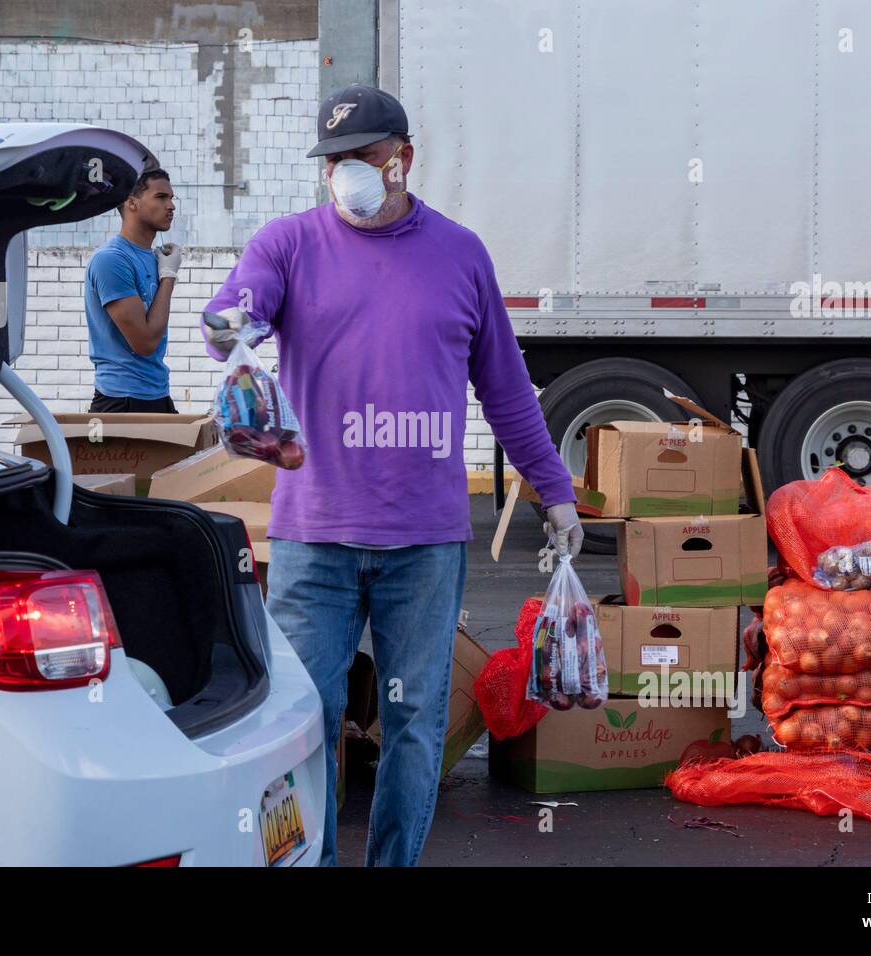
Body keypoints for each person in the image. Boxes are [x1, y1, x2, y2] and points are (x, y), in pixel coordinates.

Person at [201, 84, 582, 866]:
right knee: (305, 721)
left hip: (425, 543)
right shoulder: (287, 245)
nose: (345, 172)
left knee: (414, 724)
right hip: (316, 537)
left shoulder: (460, 256)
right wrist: (229, 325)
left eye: (363, 156)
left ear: (403, 158)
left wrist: (555, 491)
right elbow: (238, 312)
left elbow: (507, 391)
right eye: (333, 160)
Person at [84, 168, 184, 413]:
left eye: (172, 198)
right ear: (131, 202)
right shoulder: (112, 259)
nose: (171, 206)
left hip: (158, 392)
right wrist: (168, 277)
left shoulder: (154, 258)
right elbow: (145, 342)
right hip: (121, 400)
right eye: (161, 197)